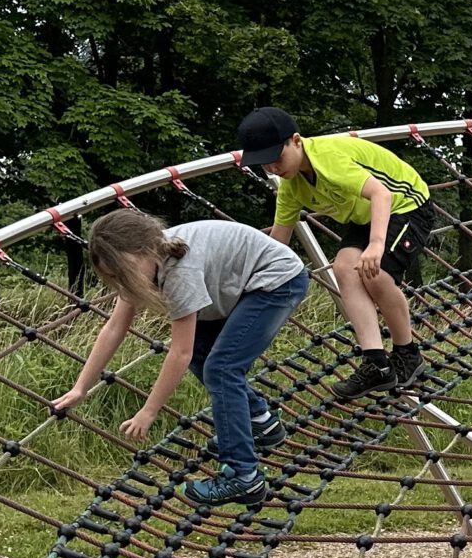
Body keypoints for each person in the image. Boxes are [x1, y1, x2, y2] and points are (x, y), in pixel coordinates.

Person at [54, 210, 312, 504]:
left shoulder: (178, 273)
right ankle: (261, 422)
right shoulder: (145, 261)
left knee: (222, 368)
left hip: (276, 282)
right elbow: (114, 328)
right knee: (205, 356)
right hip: (235, 286)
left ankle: (244, 478)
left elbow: (179, 352)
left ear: (146, 249)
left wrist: (149, 411)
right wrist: (80, 387)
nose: (122, 280)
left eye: (125, 270)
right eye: (115, 276)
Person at [236, 107, 431, 399]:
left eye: (277, 158)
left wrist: (376, 245)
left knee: (377, 276)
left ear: (297, 141)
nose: (274, 169)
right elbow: (278, 241)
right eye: (265, 165)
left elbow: (382, 194)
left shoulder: (328, 159)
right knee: (343, 268)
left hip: (406, 204)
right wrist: (251, 283)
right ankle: (377, 363)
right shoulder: (292, 187)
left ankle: (407, 353)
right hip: (363, 215)